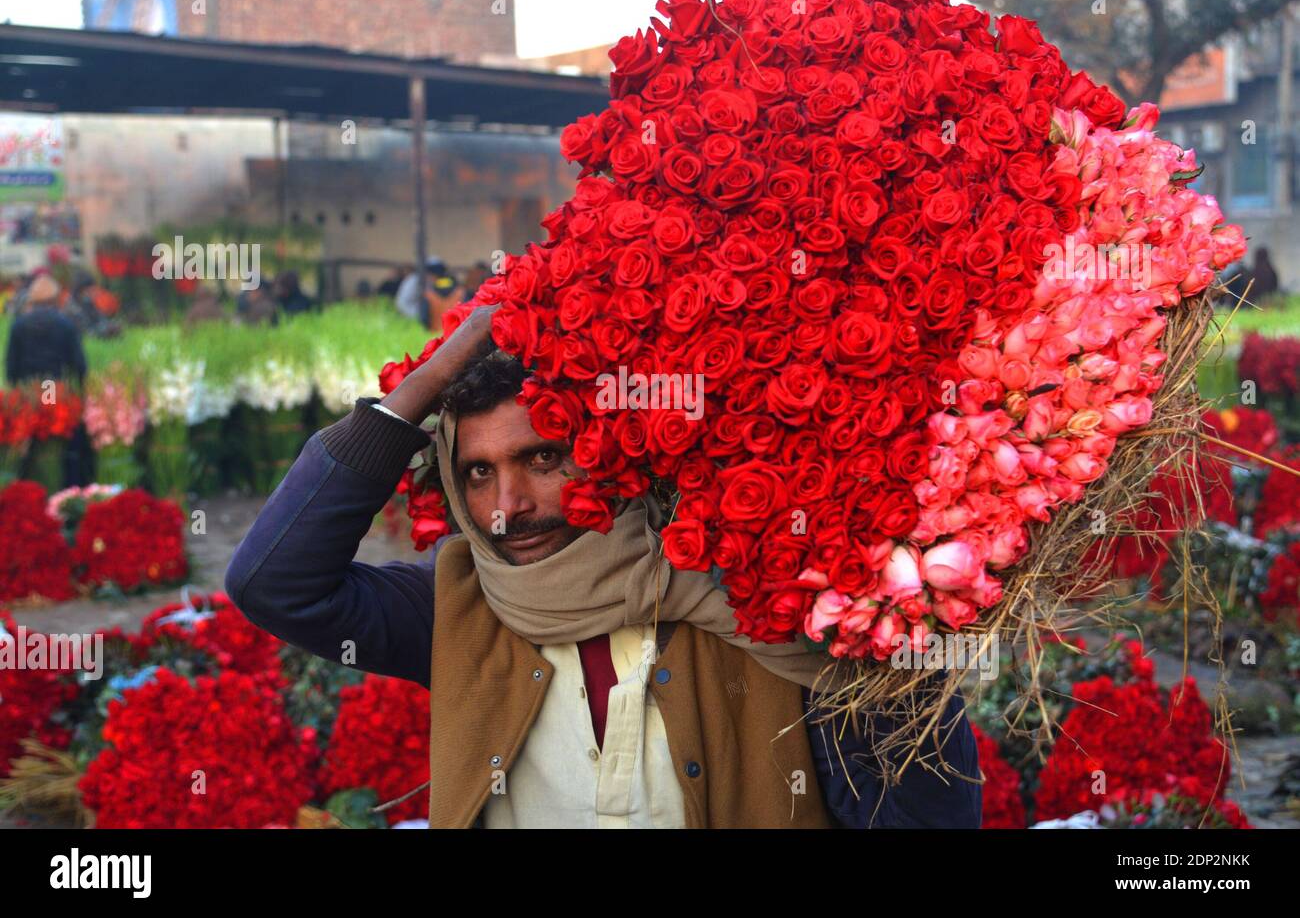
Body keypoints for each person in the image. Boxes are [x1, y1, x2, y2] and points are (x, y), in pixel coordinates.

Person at [226, 305, 982, 829]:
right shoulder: (457, 607)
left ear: (613, 454)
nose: (507, 505)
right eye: (478, 472)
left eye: (542, 458)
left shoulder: (753, 599)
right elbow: (273, 583)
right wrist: (427, 383)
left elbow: (924, 800)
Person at [4, 274, 92, 486]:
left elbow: (10, 365)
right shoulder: (64, 324)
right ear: (55, 299)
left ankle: (33, 481)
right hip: (53, 387)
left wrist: (17, 390)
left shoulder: (19, 324)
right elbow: (79, 364)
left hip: (27, 388)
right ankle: (53, 481)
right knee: (52, 434)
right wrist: (79, 391)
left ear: (32, 300)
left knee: (30, 436)